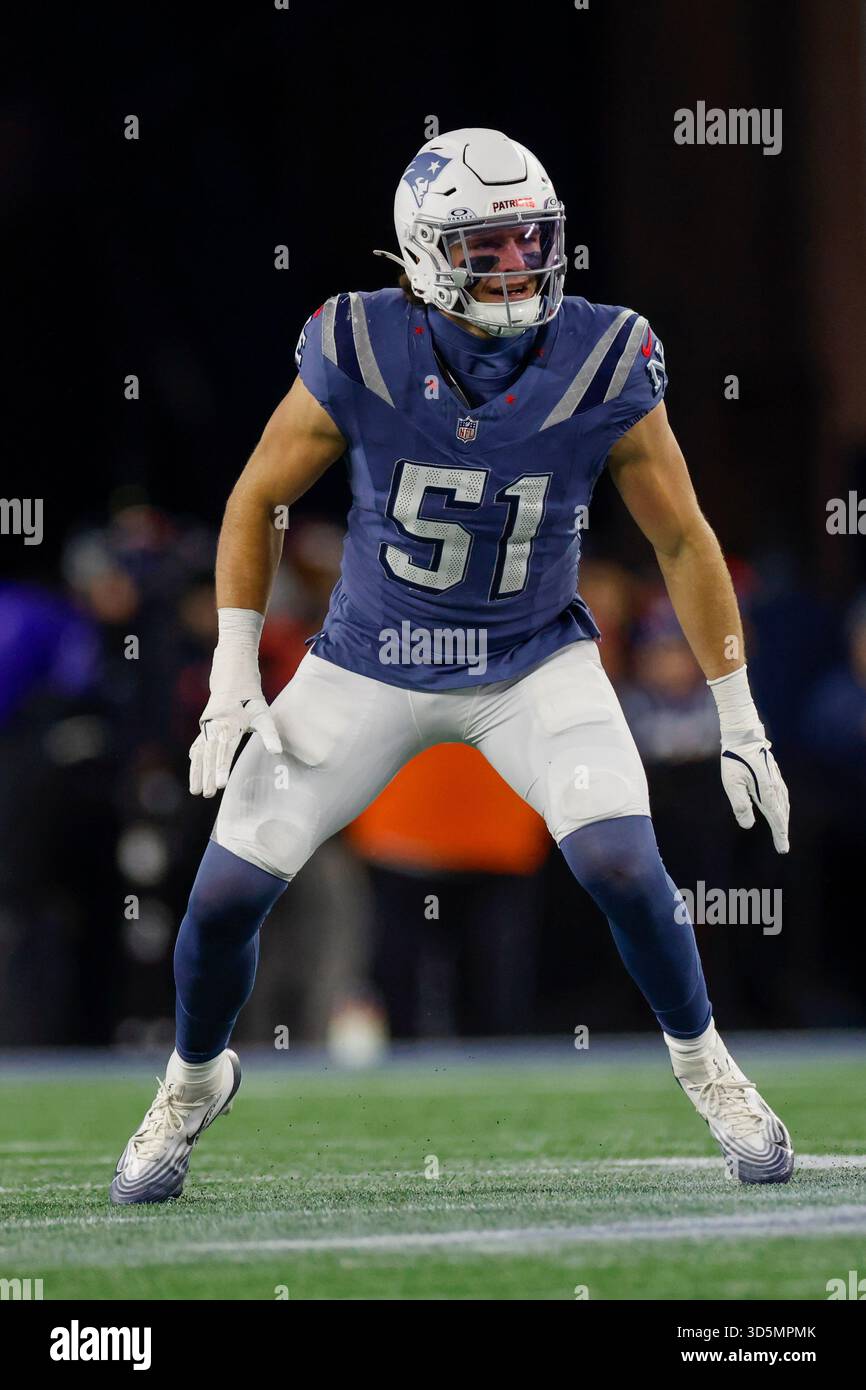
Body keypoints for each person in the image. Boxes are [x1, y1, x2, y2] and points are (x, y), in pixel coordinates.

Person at [110, 128, 793, 1203]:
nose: (520, 263)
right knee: (222, 899)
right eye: (491, 244)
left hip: (531, 663)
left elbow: (681, 538)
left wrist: (735, 711)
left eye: (532, 239)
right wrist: (237, 669)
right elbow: (256, 497)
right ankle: (192, 1082)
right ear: (425, 254)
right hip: (366, 664)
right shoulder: (360, 342)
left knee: (622, 866)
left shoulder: (605, 352)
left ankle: (709, 1071)